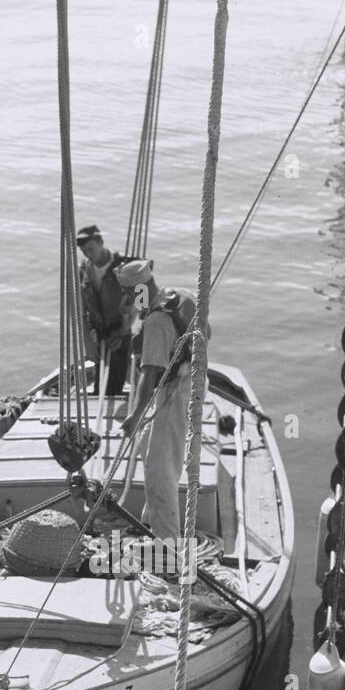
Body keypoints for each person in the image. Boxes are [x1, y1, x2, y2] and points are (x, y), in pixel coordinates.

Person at [115, 258, 207, 554]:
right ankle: (150, 522)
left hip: (175, 390)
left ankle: (166, 548)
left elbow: (149, 373)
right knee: (150, 449)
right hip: (191, 379)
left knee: (160, 468)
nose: (129, 301)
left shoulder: (155, 321)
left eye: (129, 295)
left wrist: (135, 416)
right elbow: (206, 332)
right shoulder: (179, 296)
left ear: (135, 290)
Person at [76, 224, 131, 396]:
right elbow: (79, 309)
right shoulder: (83, 270)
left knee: (115, 381)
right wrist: (87, 341)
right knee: (101, 380)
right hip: (98, 332)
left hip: (123, 330)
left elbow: (142, 302)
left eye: (91, 249)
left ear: (101, 242)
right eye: (84, 251)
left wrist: (124, 332)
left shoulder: (125, 265)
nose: (88, 254)